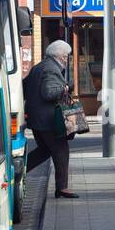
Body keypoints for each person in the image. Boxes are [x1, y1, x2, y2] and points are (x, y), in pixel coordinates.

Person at [24, 40, 79, 199]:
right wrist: (67, 87)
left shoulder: (39, 67)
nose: (67, 59)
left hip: (37, 120)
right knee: (61, 151)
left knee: (44, 150)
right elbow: (49, 93)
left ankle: (17, 171)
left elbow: (25, 86)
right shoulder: (51, 69)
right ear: (59, 55)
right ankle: (62, 188)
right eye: (66, 56)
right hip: (49, 121)